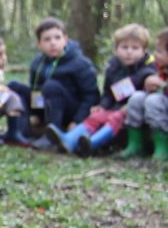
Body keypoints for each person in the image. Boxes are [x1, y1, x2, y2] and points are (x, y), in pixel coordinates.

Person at [47, 23, 156, 156]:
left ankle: (91, 144)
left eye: (135, 48)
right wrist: (102, 105)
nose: (129, 52)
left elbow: (143, 93)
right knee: (96, 116)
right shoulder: (113, 68)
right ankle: (69, 140)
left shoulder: (147, 71)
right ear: (116, 49)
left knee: (116, 118)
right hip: (113, 107)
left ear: (144, 51)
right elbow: (108, 93)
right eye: (124, 47)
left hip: (130, 113)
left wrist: (127, 106)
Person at [7, 17, 100, 150]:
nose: (53, 43)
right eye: (47, 39)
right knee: (14, 86)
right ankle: (20, 132)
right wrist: (37, 113)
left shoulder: (80, 63)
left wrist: (77, 121)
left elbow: (91, 96)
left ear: (65, 40)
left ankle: (52, 136)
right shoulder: (37, 63)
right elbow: (36, 93)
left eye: (57, 38)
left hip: (71, 110)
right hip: (46, 105)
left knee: (51, 86)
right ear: (39, 44)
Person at [122, 28, 168, 160]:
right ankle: (135, 144)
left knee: (153, 101)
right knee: (136, 98)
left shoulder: (148, 67)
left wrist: (162, 85)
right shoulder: (160, 67)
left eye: (159, 51)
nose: (155, 54)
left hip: (160, 107)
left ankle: (162, 147)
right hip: (159, 102)